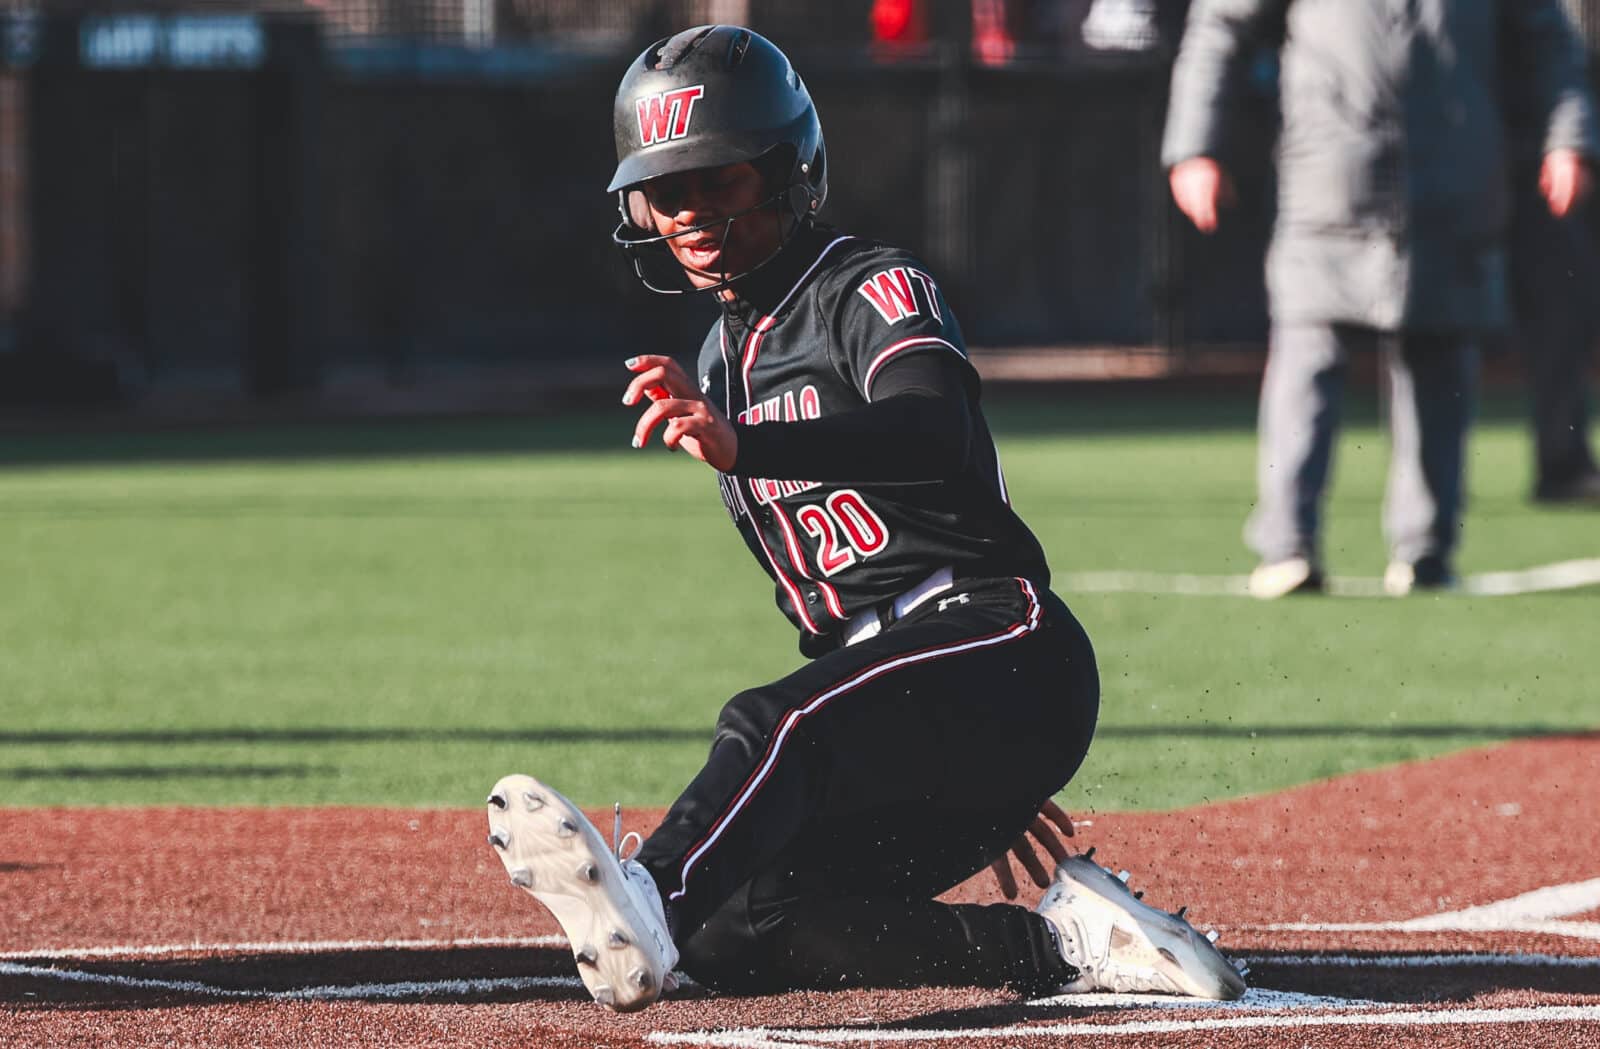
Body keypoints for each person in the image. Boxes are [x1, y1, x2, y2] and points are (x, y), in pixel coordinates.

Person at [482, 25, 1245, 1011]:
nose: (693, 213)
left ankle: (647, 888)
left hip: (1002, 641)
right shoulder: (718, 361)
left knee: (769, 720)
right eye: (668, 192)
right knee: (741, 919)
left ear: (787, 170)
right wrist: (939, 749)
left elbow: (930, 428)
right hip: (936, 704)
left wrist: (748, 443)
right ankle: (1063, 941)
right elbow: (830, 612)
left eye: (720, 179)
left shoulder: (865, 285)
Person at [1163, 0, 1599, 597]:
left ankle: (1426, 550)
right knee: (1306, 363)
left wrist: (1569, 139)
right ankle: (1287, 545)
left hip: (1453, 187)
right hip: (1328, 184)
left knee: (1441, 365)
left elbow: (1552, 43)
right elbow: (1219, 29)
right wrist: (1193, 148)